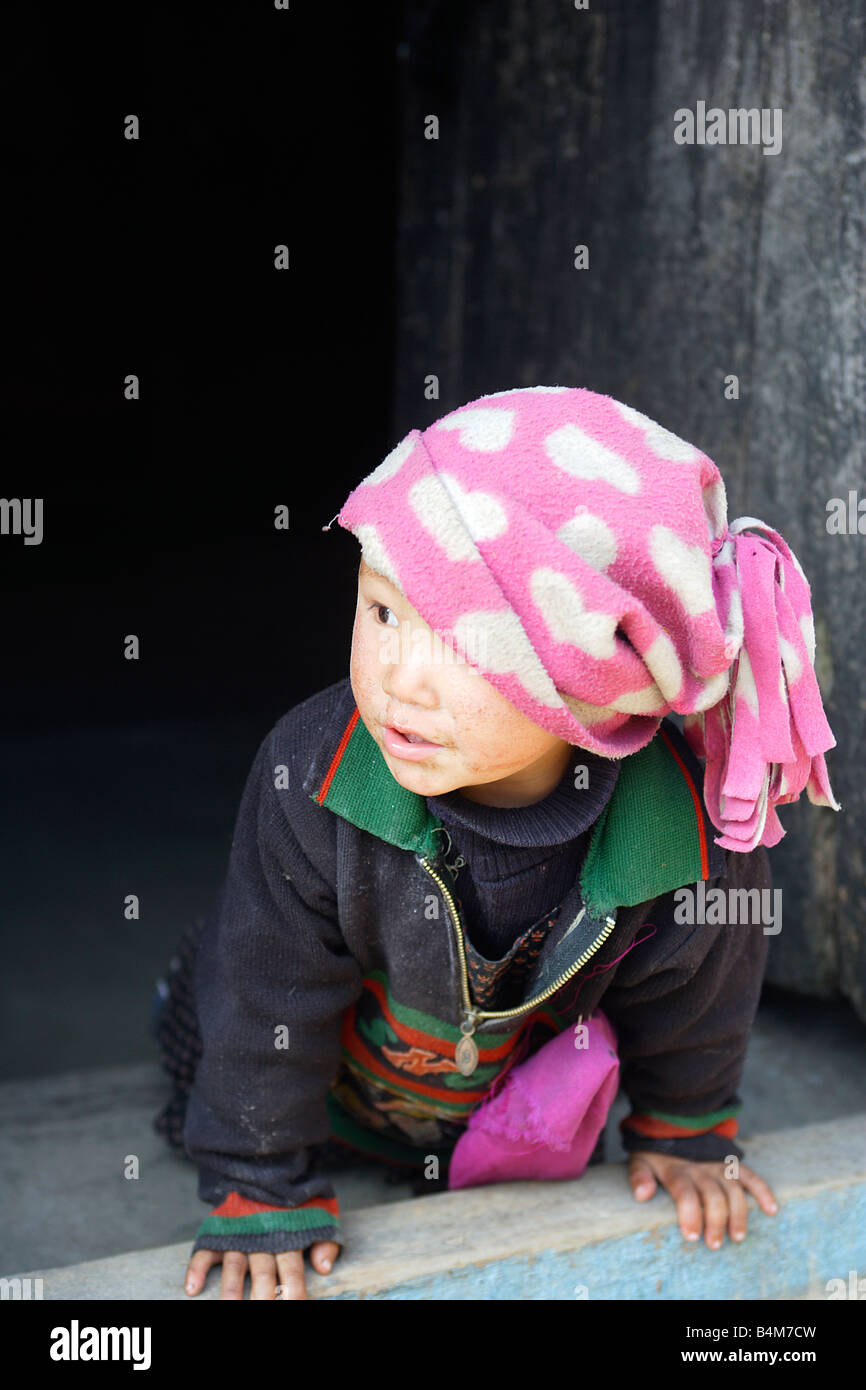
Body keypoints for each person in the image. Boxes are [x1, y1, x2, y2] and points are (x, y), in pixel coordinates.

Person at [152, 385, 840, 1300]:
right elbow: (262, 984)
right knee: (218, 996)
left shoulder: (682, 832)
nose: (399, 675)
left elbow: (700, 992)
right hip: (323, 1091)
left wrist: (684, 1131)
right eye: (383, 612)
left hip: (494, 1110)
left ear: (594, 686)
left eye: (458, 644)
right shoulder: (314, 778)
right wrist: (255, 1181)